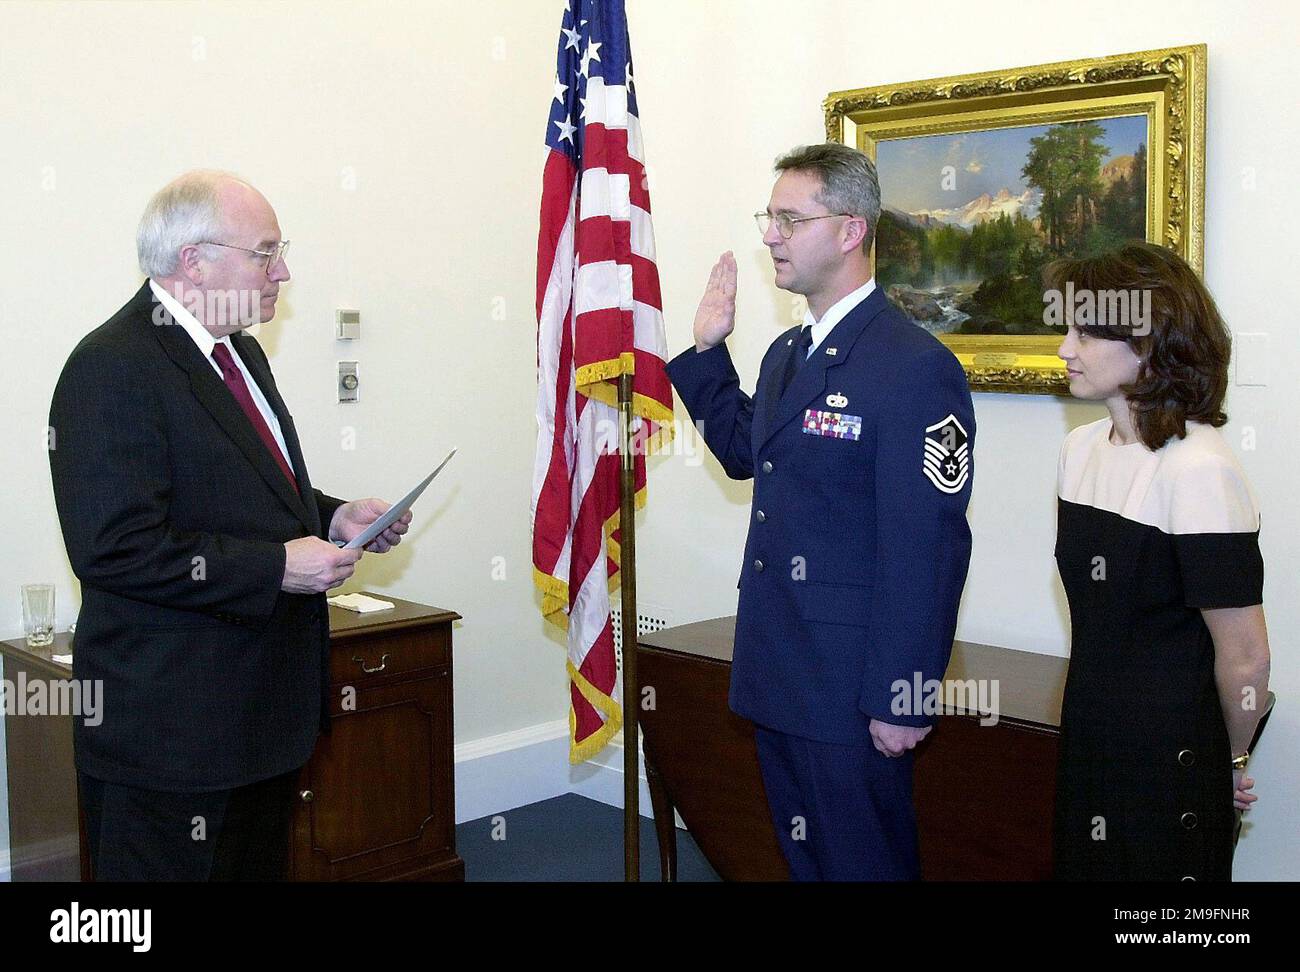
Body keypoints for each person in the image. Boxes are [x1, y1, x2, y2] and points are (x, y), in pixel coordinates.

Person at [48, 170, 412, 881]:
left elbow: (246, 492)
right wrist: (276, 566)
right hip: (172, 738)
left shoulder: (238, 352)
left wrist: (330, 515)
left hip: (260, 722)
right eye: (266, 252)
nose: (284, 273)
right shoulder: (112, 366)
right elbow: (115, 548)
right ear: (194, 261)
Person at [666, 143, 975, 880]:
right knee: (805, 864)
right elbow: (748, 454)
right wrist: (708, 353)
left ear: (849, 231)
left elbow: (927, 548)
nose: (769, 234)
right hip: (781, 670)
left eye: (788, 218)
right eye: (769, 217)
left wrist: (903, 694)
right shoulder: (786, 354)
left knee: (863, 866)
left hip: (851, 686)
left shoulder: (913, 367)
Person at [1050, 241, 1271, 881]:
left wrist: (1225, 762)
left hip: (1172, 759)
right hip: (1090, 733)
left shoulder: (1200, 467)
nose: (1065, 348)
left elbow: (1247, 656)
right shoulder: (1078, 449)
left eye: (1086, 333)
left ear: (1147, 345)